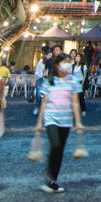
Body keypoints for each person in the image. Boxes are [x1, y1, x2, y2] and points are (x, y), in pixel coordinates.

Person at [35, 56, 84, 193]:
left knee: (60, 150)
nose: (68, 65)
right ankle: (49, 174)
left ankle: (52, 179)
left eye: (69, 62)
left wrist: (78, 121)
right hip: (51, 119)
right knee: (55, 145)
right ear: (57, 65)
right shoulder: (49, 82)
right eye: (65, 62)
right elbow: (44, 103)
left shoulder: (73, 82)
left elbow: (75, 102)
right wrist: (39, 122)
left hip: (66, 120)